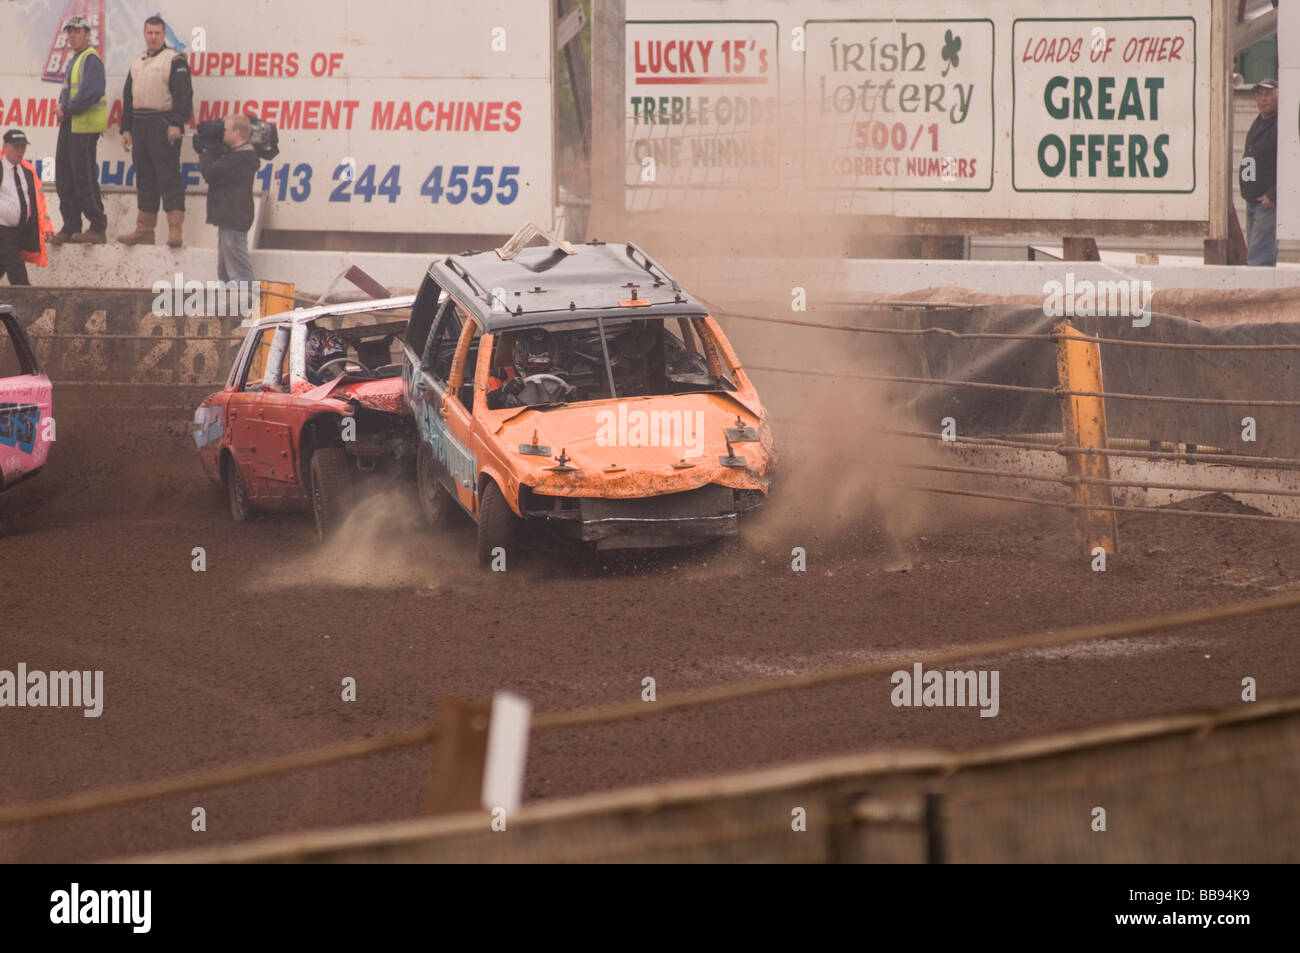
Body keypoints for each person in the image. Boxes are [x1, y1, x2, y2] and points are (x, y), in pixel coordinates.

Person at [118, 15, 194, 247]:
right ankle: (144, 230)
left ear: (164, 35)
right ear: (144, 34)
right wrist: (126, 129)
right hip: (140, 124)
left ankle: (174, 229)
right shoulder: (137, 61)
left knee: (169, 175)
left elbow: (184, 96)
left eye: (157, 34)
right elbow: (128, 97)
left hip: (163, 123)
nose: (153, 37)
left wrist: (176, 123)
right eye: (149, 33)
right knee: (145, 177)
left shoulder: (175, 60)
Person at [51, 17, 108, 245]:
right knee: (64, 176)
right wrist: (63, 108)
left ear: (87, 34)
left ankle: (97, 225)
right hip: (70, 125)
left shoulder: (91, 59)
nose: (72, 36)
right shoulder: (75, 59)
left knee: (83, 177)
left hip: (84, 128)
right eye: (70, 32)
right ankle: (71, 225)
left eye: (77, 31)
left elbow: (91, 92)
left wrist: (66, 108)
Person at [197, 114, 259, 283]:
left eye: (225, 129)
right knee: (225, 272)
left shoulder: (240, 159)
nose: (222, 133)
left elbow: (211, 173)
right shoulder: (239, 155)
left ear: (237, 133)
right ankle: (230, 307)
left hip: (234, 218)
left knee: (238, 272)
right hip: (230, 218)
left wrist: (205, 151)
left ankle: (248, 304)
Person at [0, 130, 53, 285]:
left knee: (4, 264)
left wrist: (46, 227)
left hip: (20, 231)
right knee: (17, 270)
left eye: (23, 146)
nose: (20, 150)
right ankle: (28, 304)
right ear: (5, 146)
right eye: (16, 146)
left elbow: (38, 201)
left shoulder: (28, 170)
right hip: (2, 230)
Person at [1240, 78, 1278, 267]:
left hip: (1268, 202)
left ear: (1279, 95)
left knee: (1259, 258)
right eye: (1260, 95)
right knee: (1256, 253)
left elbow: (1290, 163)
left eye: (1269, 94)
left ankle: (1259, 296)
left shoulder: (1281, 125)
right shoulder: (1259, 123)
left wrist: (1273, 194)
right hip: (1253, 199)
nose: (1264, 99)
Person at [486, 328, 568, 409]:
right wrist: (504, 390)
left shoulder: (560, 376)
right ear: (516, 353)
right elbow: (487, 403)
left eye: (542, 365)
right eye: (530, 364)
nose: (536, 368)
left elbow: (572, 398)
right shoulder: (500, 374)